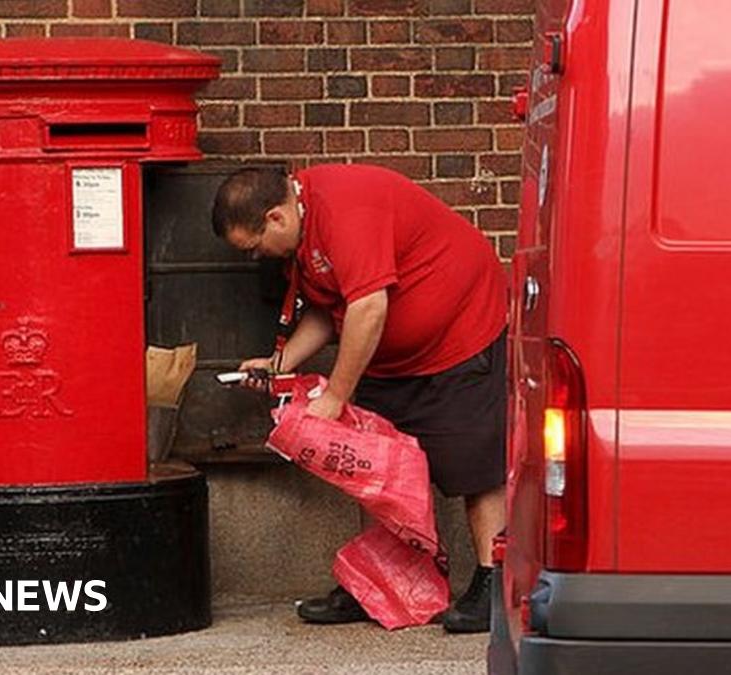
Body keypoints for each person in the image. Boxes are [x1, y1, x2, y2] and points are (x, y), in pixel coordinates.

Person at [211, 164, 508, 633]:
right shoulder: (302, 236)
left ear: (275, 219)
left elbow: (369, 307)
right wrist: (278, 365)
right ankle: (378, 582)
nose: (257, 259)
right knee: (371, 466)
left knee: (475, 466)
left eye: (253, 248)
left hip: (462, 336)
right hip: (390, 358)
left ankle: (496, 584)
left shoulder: (346, 209)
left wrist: (336, 395)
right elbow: (333, 313)